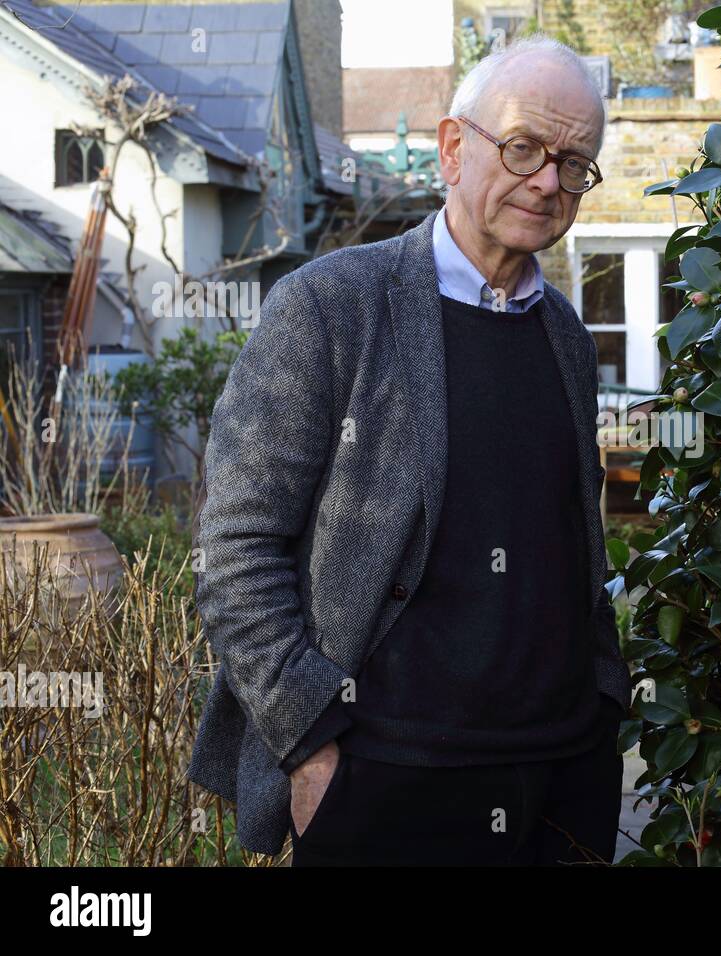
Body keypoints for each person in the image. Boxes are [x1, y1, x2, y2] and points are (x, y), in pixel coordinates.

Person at [185, 34, 632, 865]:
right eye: (526, 147)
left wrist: (605, 700)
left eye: (575, 163)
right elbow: (235, 546)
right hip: (384, 779)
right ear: (454, 147)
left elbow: (574, 542)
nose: (547, 180)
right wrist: (310, 742)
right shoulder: (328, 307)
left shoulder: (567, 337)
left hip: (564, 773)